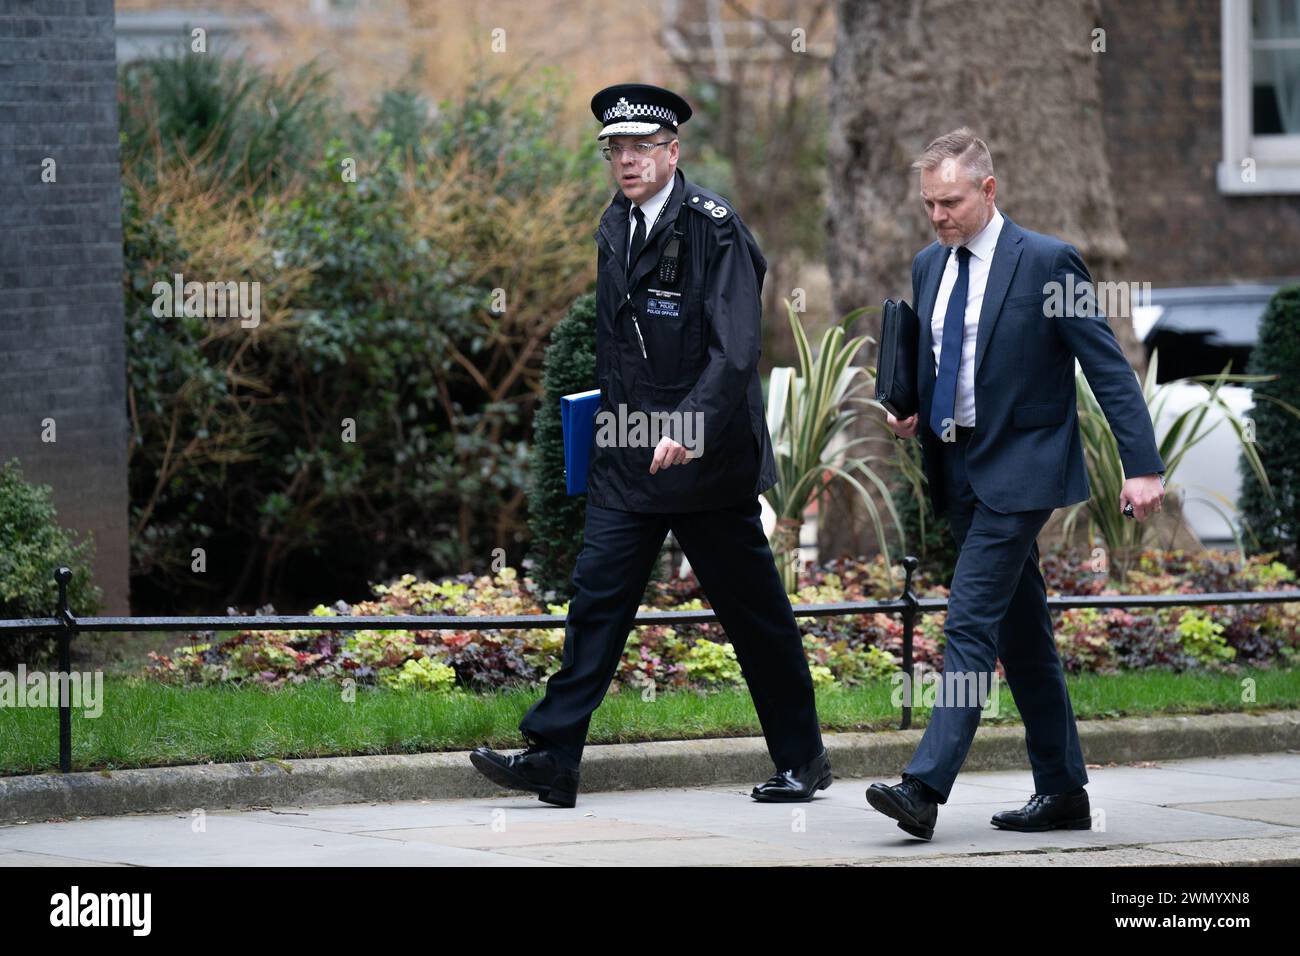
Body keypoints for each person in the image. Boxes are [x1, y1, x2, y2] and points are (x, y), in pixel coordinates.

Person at [469, 83, 830, 808]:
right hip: (628, 454)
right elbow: (620, 348)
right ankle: (554, 756)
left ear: (673, 151)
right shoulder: (615, 223)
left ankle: (803, 759)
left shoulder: (715, 229)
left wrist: (687, 428)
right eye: (614, 149)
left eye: (639, 147)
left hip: (707, 460)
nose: (625, 160)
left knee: (753, 613)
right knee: (596, 601)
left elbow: (735, 353)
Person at [867, 128, 1166, 840]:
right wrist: (912, 409)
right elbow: (945, 360)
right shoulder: (928, 266)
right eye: (929, 204)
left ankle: (923, 786)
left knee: (968, 621)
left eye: (951, 202)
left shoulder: (1047, 261)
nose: (938, 216)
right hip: (960, 467)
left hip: (1023, 469)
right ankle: (1063, 792)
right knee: (1022, 634)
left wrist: (1143, 464)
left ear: (989, 189)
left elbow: (1106, 365)